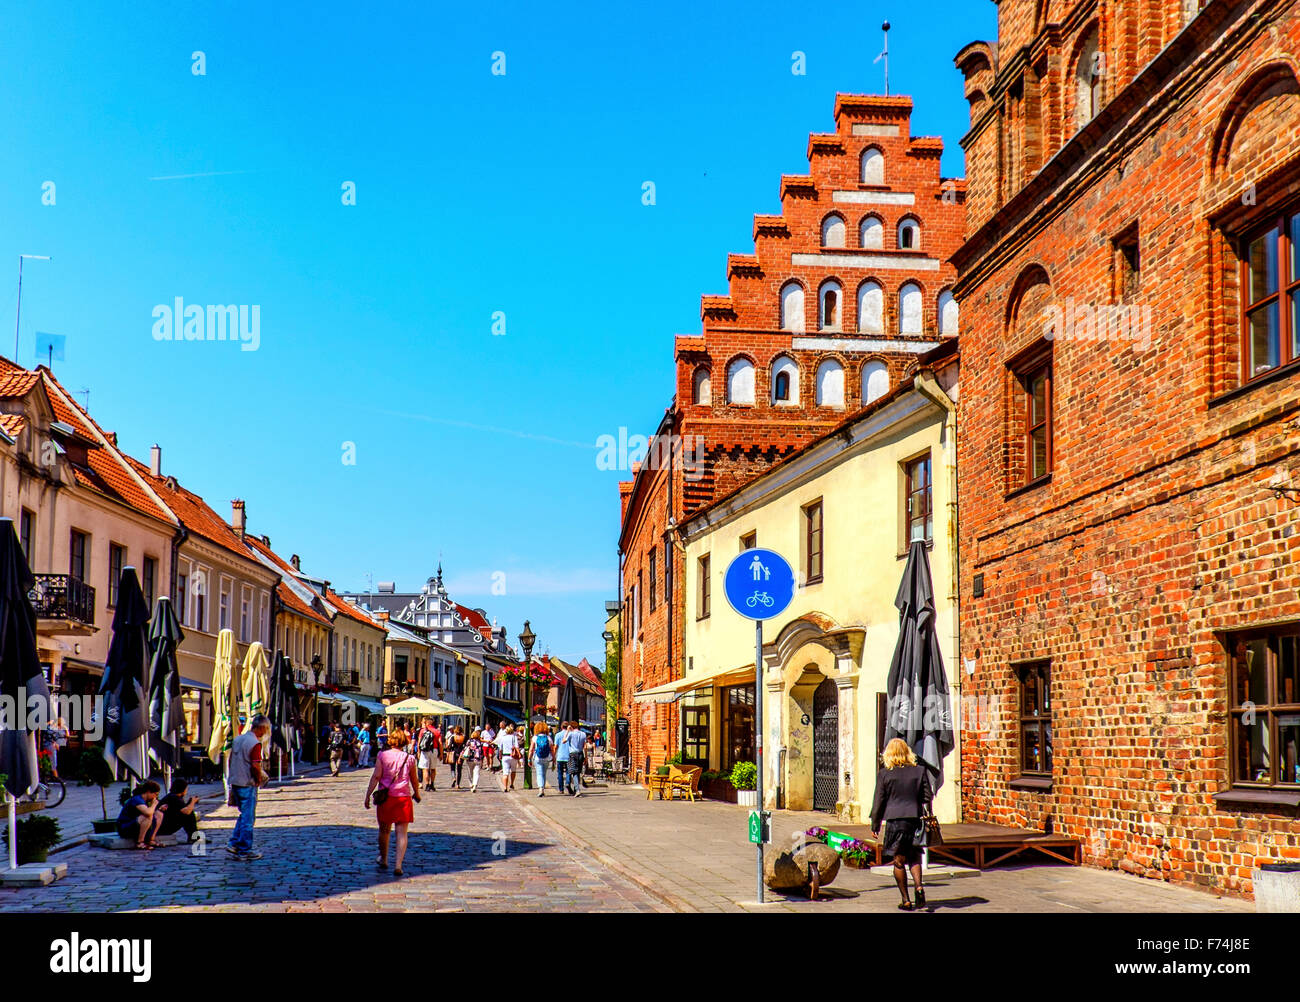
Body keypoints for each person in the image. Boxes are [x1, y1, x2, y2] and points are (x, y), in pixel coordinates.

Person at [870, 737, 935, 910]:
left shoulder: (885, 774)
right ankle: (919, 886)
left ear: (889, 754)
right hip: (914, 819)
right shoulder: (919, 771)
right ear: (907, 752)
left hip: (895, 821)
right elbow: (927, 797)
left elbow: (879, 801)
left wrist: (875, 824)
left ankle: (906, 900)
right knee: (914, 856)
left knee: (899, 860)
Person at [365, 726, 421, 877]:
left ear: (391, 741)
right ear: (404, 742)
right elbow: (414, 780)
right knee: (402, 833)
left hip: (386, 798)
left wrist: (368, 795)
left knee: (384, 830)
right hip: (403, 797)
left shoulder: (382, 756)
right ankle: (398, 864)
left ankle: (383, 859)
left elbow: (376, 776)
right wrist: (417, 793)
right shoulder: (409, 758)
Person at [228, 714, 271, 861]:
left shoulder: (238, 739)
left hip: (235, 781)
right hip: (247, 783)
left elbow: (230, 759)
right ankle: (244, 850)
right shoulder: (254, 743)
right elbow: (255, 765)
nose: (266, 733)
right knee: (248, 818)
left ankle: (234, 843)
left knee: (243, 814)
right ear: (262, 728)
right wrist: (259, 780)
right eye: (266, 729)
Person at [116, 780, 164, 849]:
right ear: (148, 792)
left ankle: (151, 840)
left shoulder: (146, 801)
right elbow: (148, 812)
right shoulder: (137, 799)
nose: (155, 797)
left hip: (136, 826)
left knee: (159, 814)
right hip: (125, 828)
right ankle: (140, 842)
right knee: (147, 816)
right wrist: (154, 804)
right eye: (155, 794)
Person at [528, 722, 555, 796]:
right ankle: (542, 787)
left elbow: (531, 749)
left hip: (537, 758)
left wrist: (529, 759)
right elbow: (552, 750)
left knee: (539, 773)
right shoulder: (548, 738)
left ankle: (541, 789)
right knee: (544, 773)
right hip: (547, 758)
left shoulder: (535, 738)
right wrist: (554, 758)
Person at [495, 724, 520, 792]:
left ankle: (505, 787)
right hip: (513, 756)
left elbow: (500, 748)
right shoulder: (514, 737)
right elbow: (517, 746)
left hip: (505, 756)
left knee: (505, 773)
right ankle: (511, 784)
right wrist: (519, 754)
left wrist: (500, 755)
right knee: (513, 771)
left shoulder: (503, 738)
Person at [566, 722, 589, 796]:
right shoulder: (583, 734)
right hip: (580, 754)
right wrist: (586, 757)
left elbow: (564, 741)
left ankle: (578, 790)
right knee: (578, 771)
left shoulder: (571, 733)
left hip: (573, 754)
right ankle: (576, 789)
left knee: (574, 772)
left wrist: (567, 731)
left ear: (571, 727)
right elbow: (585, 747)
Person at [417, 718, 439, 791]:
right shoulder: (436, 731)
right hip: (434, 750)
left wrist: (418, 752)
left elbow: (419, 742)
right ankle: (432, 784)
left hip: (425, 751)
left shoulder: (423, 731)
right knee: (433, 769)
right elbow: (440, 743)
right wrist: (441, 753)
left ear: (427, 724)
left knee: (425, 769)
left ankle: (427, 784)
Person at [462, 727, 485, 792]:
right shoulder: (480, 742)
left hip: (470, 759)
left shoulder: (469, 741)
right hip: (477, 759)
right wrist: (482, 760)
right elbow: (482, 752)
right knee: (476, 773)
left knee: (470, 772)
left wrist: (461, 756)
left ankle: (471, 783)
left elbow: (465, 749)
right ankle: (475, 785)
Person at [555, 721, 571, 793]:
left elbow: (555, 746)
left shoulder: (558, 735)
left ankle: (561, 789)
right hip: (568, 756)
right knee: (568, 772)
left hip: (560, 756)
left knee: (560, 773)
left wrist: (554, 756)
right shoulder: (570, 734)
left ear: (561, 727)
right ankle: (567, 783)